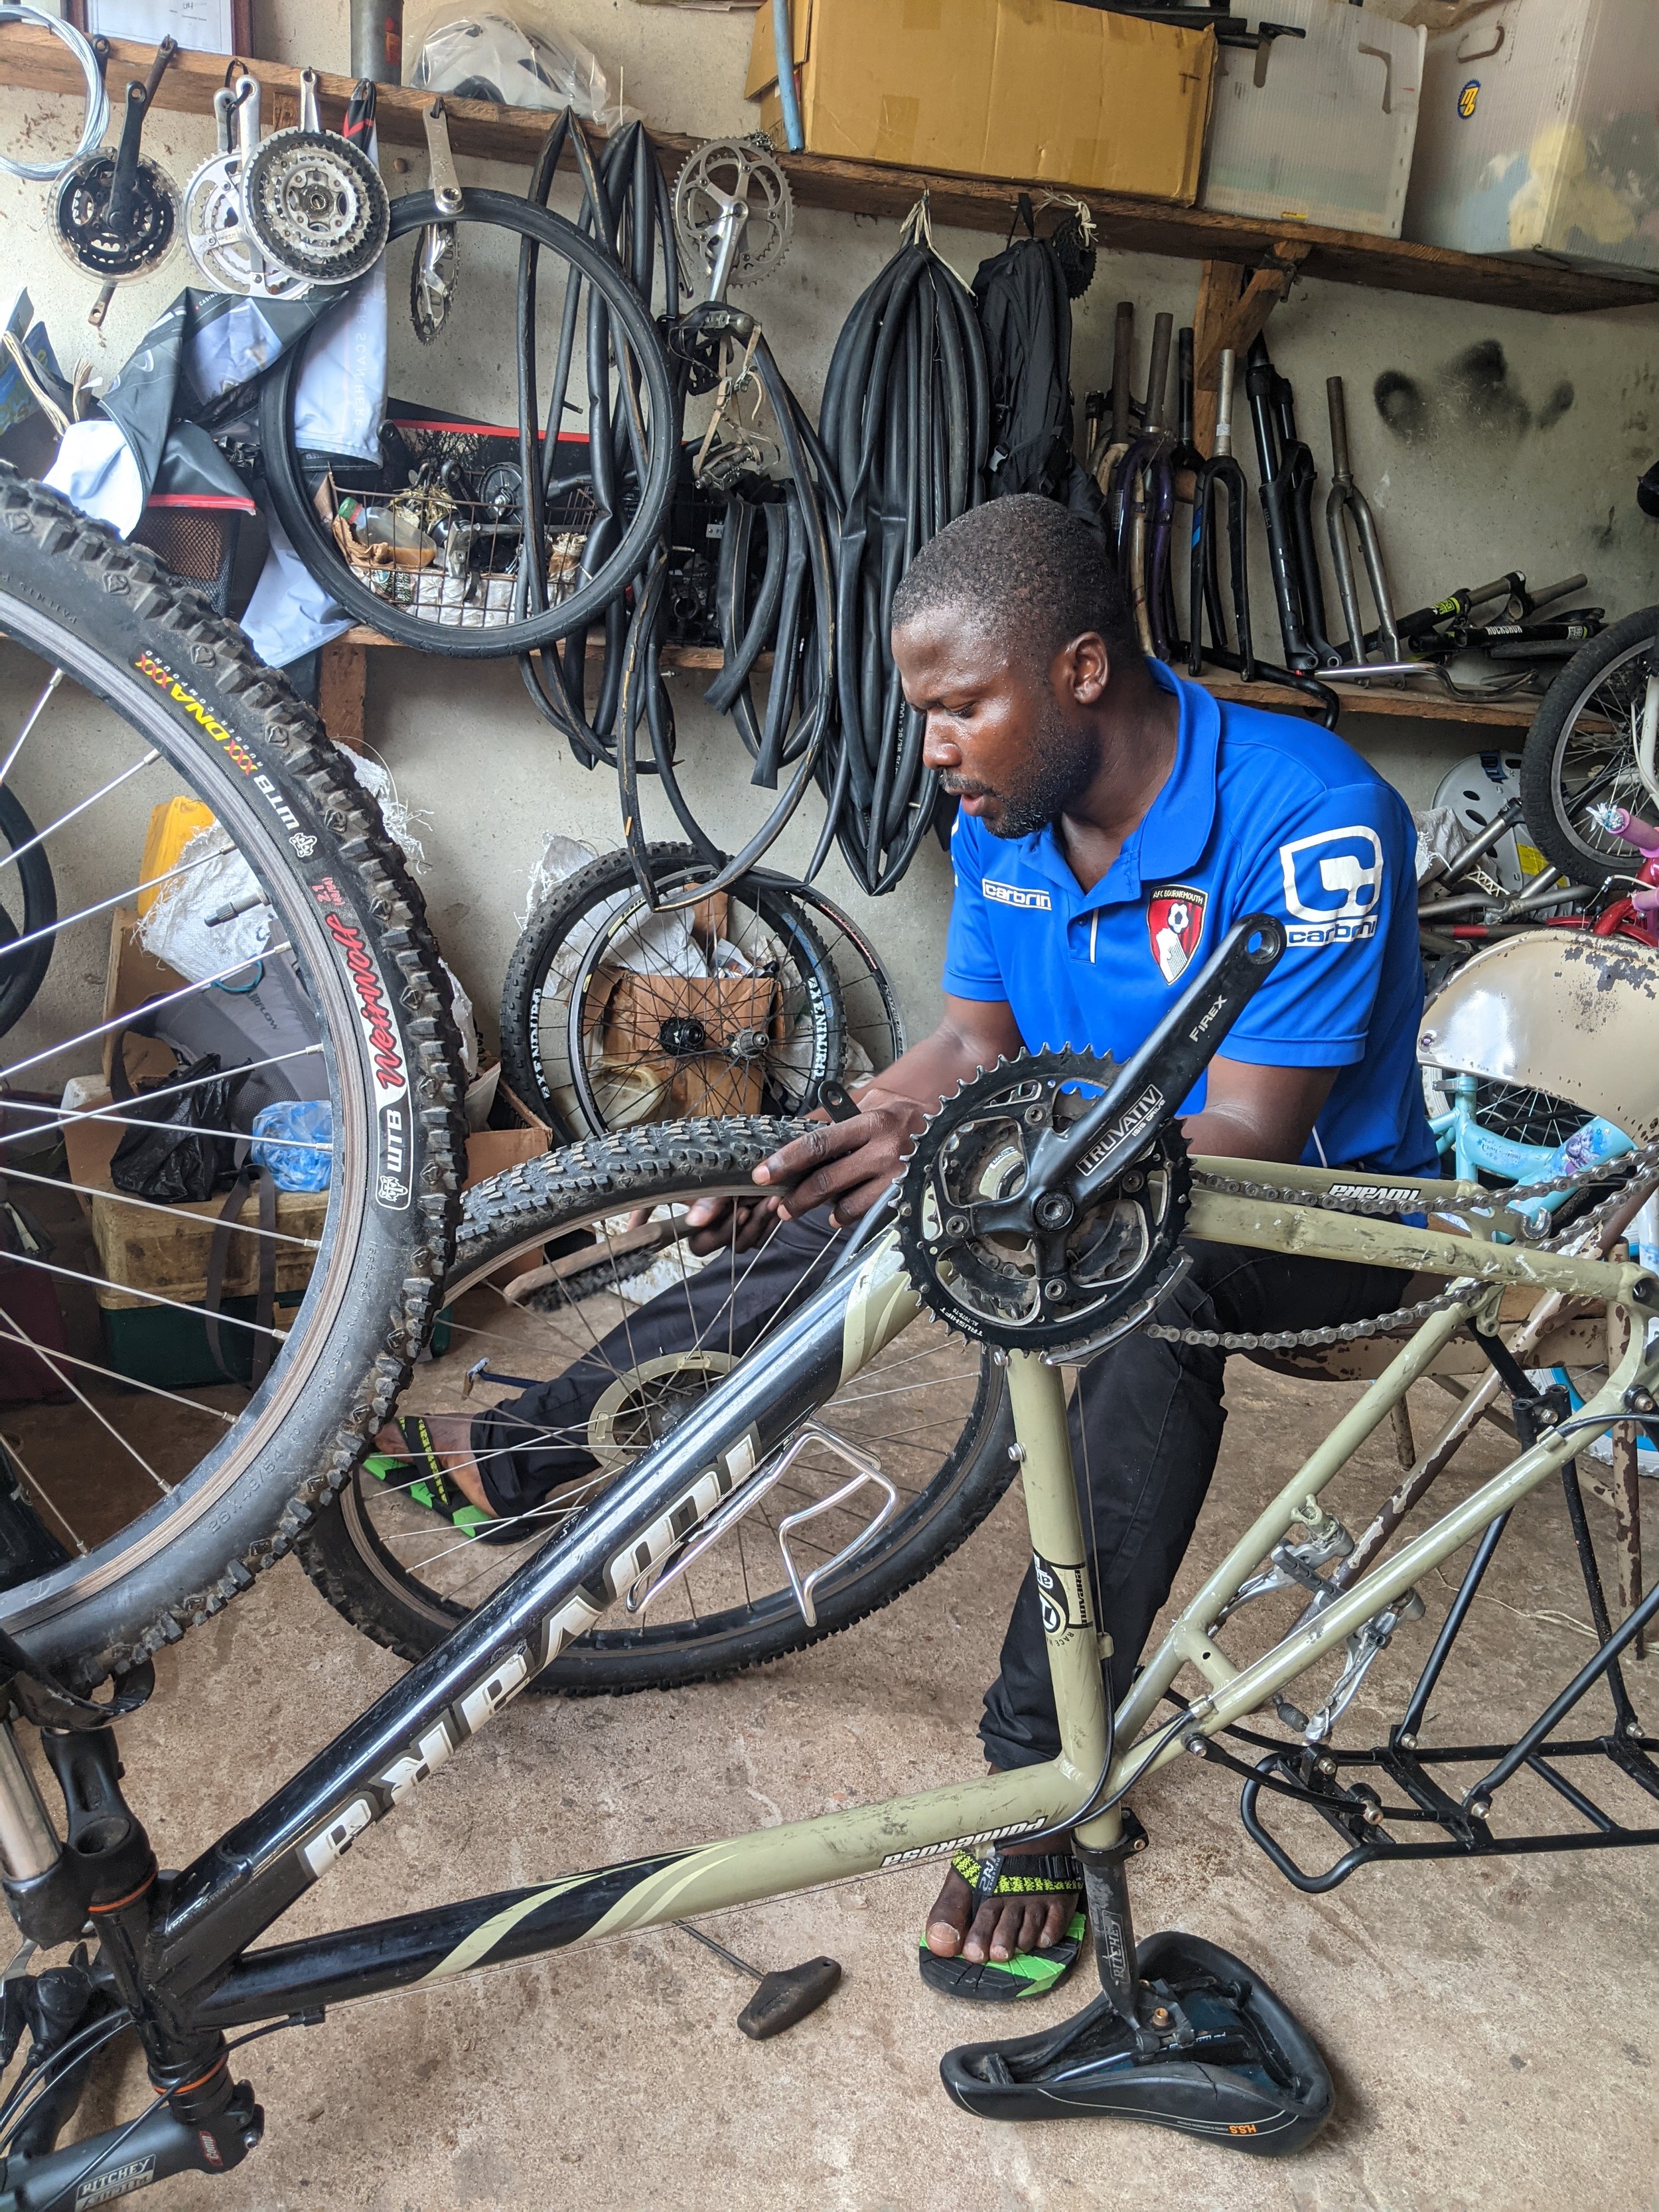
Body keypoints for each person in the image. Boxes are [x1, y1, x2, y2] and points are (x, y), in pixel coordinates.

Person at [369, 494, 1435, 2002]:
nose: (933, 747)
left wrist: (970, 1156)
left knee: (1156, 1304)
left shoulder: (1308, 815)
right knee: (838, 1172)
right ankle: (539, 1452)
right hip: (1080, 1162)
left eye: (957, 707)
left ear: (1076, 668)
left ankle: (1038, 1777)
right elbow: (968, 1042)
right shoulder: (1003, 819)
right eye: (921, 711)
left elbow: (1250, 1133)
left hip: (1305, 1211)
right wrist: (848, 1126)